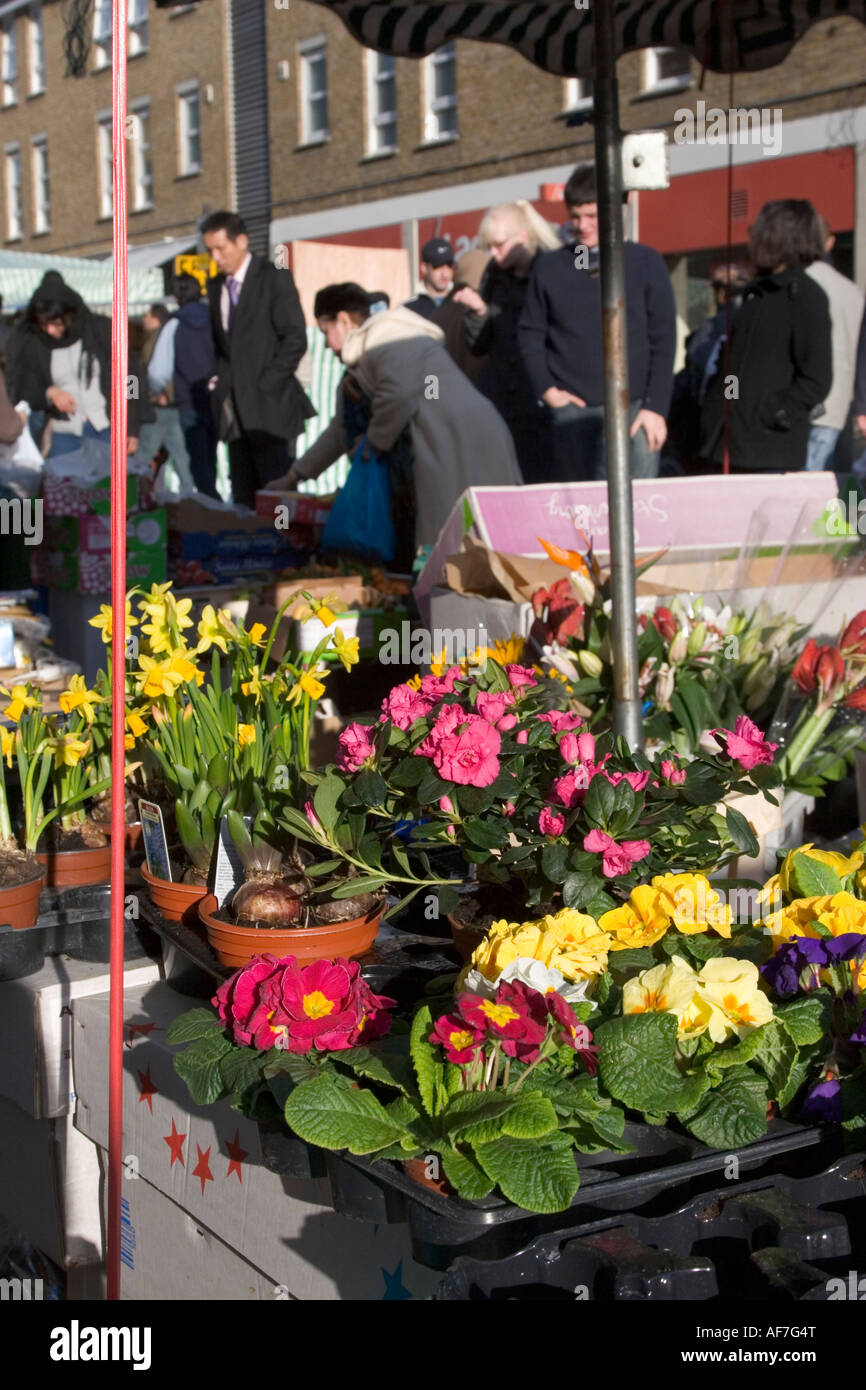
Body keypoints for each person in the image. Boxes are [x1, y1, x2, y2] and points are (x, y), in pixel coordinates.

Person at [274, 282, 522, 556]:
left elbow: (398, 394)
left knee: (474, 541)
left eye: (325, 331)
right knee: (460, 541)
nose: (325, 344)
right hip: (454, 443)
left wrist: (372, 444)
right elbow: (338, 431)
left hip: (466, 441)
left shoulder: (388, 336)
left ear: (343, 320)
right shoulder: (362, 366)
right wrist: (294, 475)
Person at [518, 163, 676, 483]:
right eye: (575, 216)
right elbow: (530, 333)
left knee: (639, 512)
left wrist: (656, 407)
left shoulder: (646, 262)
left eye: (592, 216)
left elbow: (664, 338)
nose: (583, 226)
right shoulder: (550, 268)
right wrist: (550, 393)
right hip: (573, 412)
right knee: (582, 518)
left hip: (636, 410)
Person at [700, 200, 832, 474]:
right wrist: (723, 405)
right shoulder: (756, 294)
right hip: (728, 444)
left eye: (758, 230)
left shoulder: (804, 297)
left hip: (769, 450)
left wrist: (771, 413)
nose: (751, 237)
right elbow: (734, 367)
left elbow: (816, 378)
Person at [201, 209, 315, 508]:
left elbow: (295, 339)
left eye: (220, 249)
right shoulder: (216, 289)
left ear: (241, 242)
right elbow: (222, 347)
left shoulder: (273, 279)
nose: (215, 258)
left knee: (276, 499)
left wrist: (267, 383)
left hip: (272, 411)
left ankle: (287, 553)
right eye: (210, 250)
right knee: (244, 500)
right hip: (235, 415)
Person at [454, 201, 560, 481]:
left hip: (543, 402)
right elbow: (479, 345)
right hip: (504, 402)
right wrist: (478, 313)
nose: (493, 253)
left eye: (499, 245)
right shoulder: (493, 275)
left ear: (523, 237)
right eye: (489, 246)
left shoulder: (554, 266)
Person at [8, 270, 145, 458]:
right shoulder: (36, 343)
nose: (50, 330)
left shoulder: (101, 331)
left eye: (57, 323)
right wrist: (50, 393)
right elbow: (24, 385)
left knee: (106, 486)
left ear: (70, 315)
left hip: (107, 428)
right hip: (63, 434)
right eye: (44, 324)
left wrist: (132, 425)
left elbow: (131, 378)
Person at [146, 274, 219, 497]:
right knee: (210, 458)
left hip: (187, 402)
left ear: (176, 297)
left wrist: (160, 391)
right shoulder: (216, 319)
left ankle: (207, 508)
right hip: (216, 399)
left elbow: (157, 372)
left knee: (195, 463)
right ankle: (214, 509)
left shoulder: (174, 325)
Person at [804, 215, 864, 471]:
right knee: (841, 488)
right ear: (829, 243)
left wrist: (733, 393)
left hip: (809, 407)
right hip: (844, 405)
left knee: (808, 495)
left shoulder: (797, 286)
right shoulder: (851, 290)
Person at [135, 301, 196, 490]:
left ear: (155, 319)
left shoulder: (157, 339)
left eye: (146, 316)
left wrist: (163, 393)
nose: (143, 320)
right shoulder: (171, 335)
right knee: (181, 457)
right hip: (173, 406)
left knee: (143, 456)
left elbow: (158, 371)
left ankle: (133, 496)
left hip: (159, 406)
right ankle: (190, 499)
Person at [432, 248, 490, 384]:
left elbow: (429, 372)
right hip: (479, 399)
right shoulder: (482, 313)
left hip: (443, 398)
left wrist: (431, 398)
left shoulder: (437, 315)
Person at [404, 238, 455, 321]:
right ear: (424, 268)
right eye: (438, 266)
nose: (445, 274)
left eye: (449, 266)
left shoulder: (462, 303)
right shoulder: (408, 310)